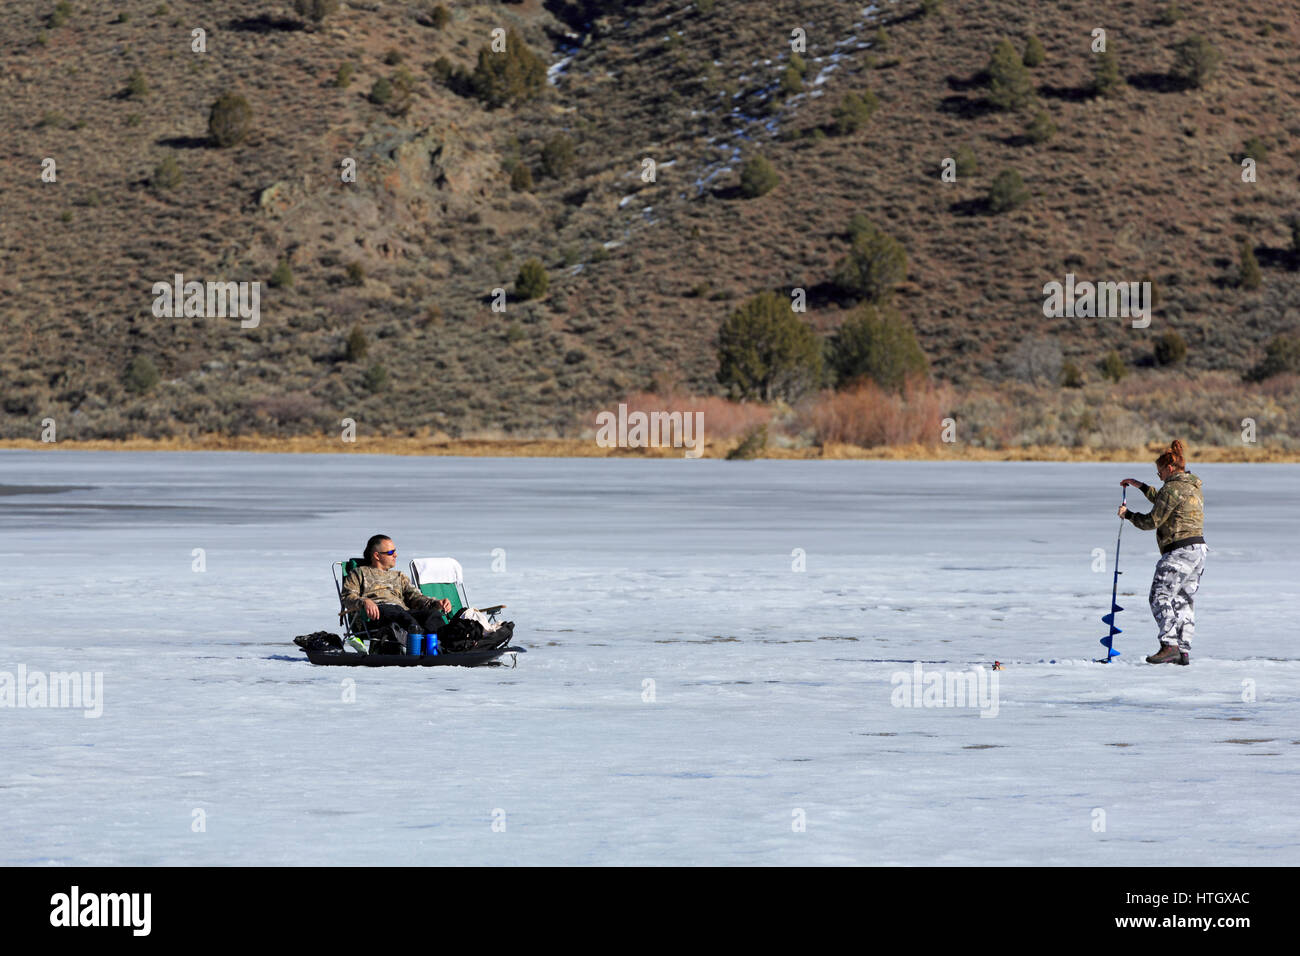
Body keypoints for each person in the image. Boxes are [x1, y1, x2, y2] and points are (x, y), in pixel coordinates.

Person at [1117, 440, 1207, 665]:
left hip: (1178, 551)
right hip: (1198, 550)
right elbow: (1165, 500)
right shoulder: (1191, 485)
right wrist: (1141, 486)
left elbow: (1152, 521)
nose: (1159, 477)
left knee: (1159, 596)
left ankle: (1169, 645)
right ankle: (1183, 651)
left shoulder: (1172, 488)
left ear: (1169, 468)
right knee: (1184, 600)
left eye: (1159, 472)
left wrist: (1128, 515)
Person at [340, 534, 451, 643]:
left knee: (432, 615)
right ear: (377, 556)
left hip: (402, 613)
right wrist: (365, 601)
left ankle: (447, 647)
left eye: (395, 551)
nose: (395, 555)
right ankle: (420, 646)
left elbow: (415, 598)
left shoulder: (399, 576)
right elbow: (347, 597)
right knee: (400, 615)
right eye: (390, 552)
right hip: (377, 614)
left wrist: (437, 603)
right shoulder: (359, 572)